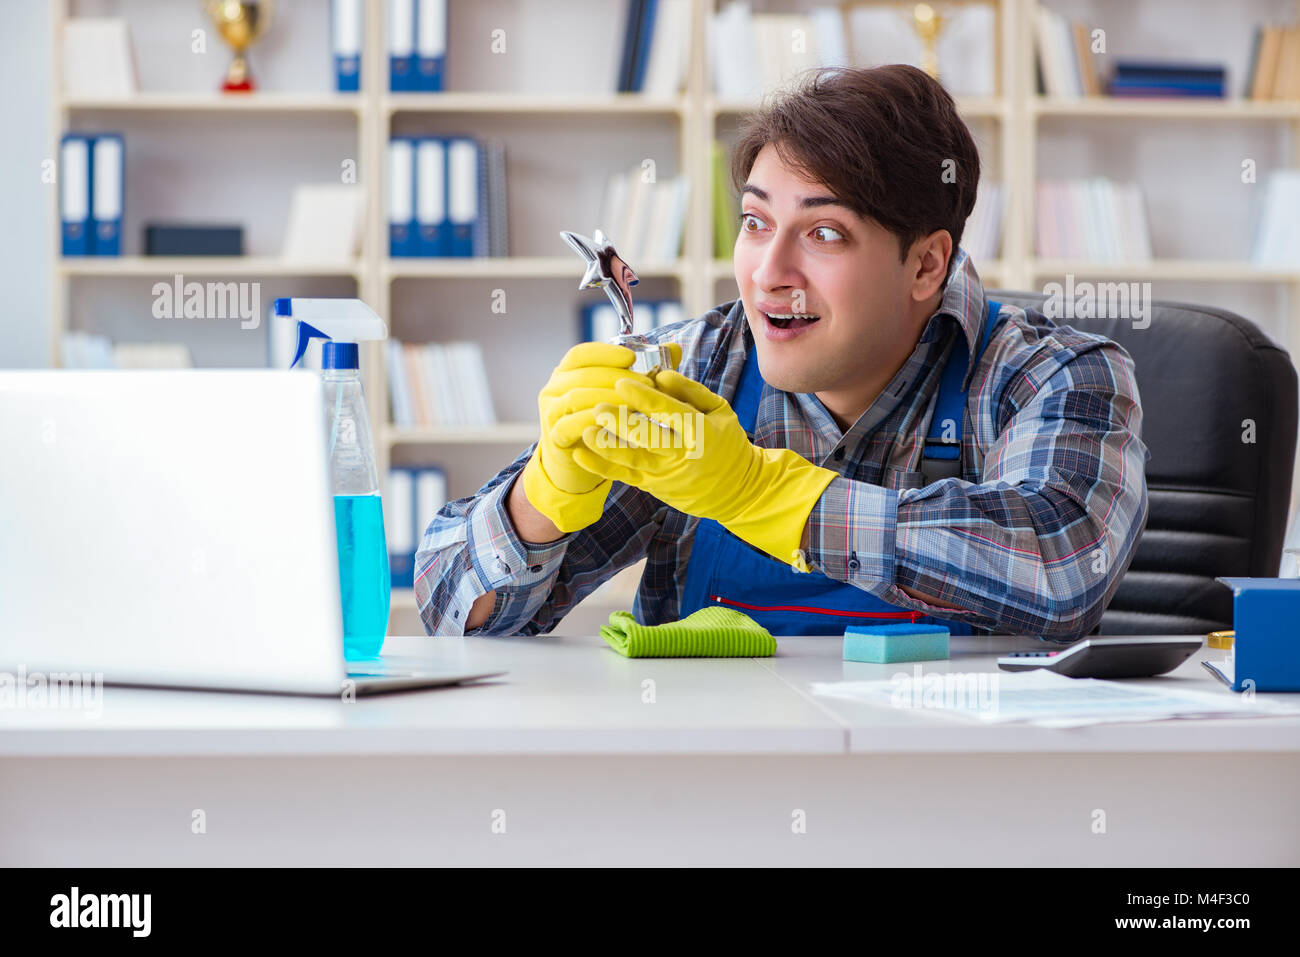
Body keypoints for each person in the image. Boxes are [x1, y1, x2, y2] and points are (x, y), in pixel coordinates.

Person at [413, 64, 1150, 640]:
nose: (768, 272)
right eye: (757, 222)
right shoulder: (693, 368)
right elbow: (449, 608)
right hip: (714, 793)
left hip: (949, 798)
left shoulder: (1054, 376)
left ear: (927, 265)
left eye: (824, 233)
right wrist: (541, 498)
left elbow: (1063, 567)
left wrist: (761, 494)